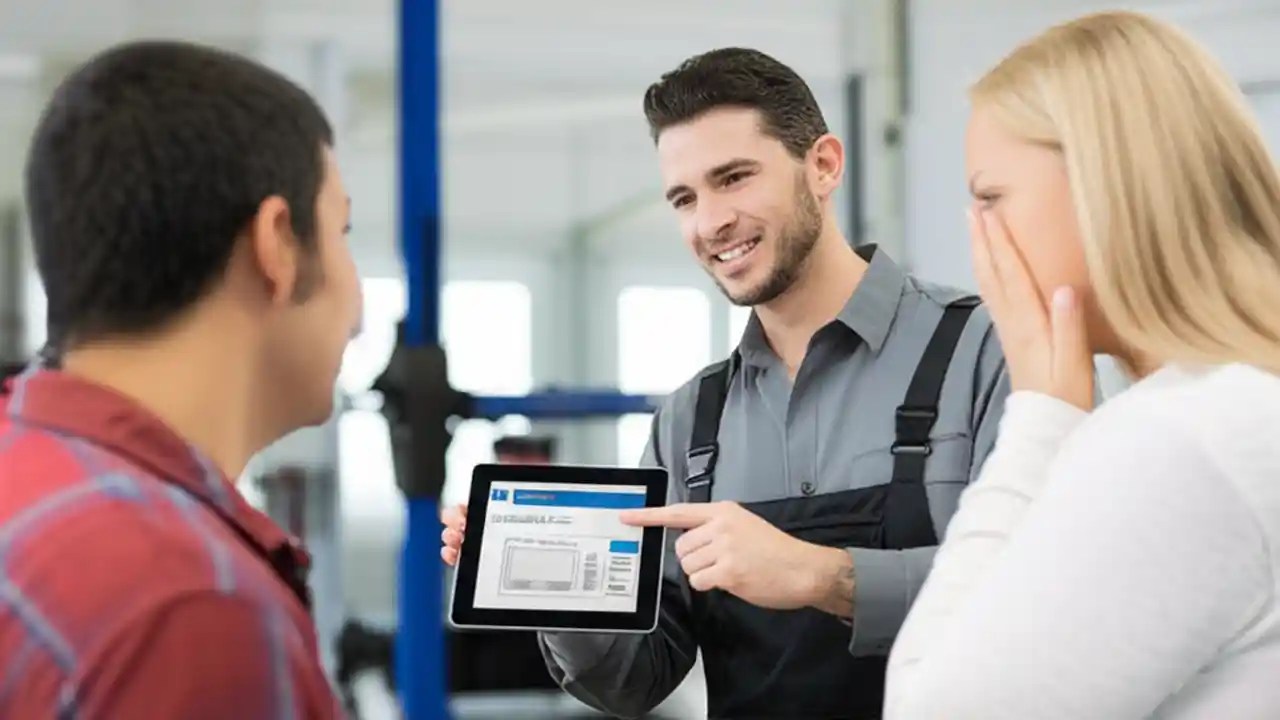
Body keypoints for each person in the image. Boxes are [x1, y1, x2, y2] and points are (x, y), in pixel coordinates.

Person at [442, 48, 1012, 719]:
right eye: (685, 198)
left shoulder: (986, 350)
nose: (710, 222)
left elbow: (1046, 600)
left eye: (734, 178)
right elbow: (635, 682)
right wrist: (555, 587)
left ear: (823, 165)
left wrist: (823, 576)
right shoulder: (690, 422)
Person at [883, 11, 1280, 720]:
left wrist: (1040, 415)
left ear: (1107, 185)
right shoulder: (1241, 404)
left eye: (989, 196)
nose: (977, 235)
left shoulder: (1182, 437)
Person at [0, 41, 360, 718]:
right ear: (276, 244)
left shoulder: (25, 474)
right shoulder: (194, 612)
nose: (358, 306)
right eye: (343, 231)